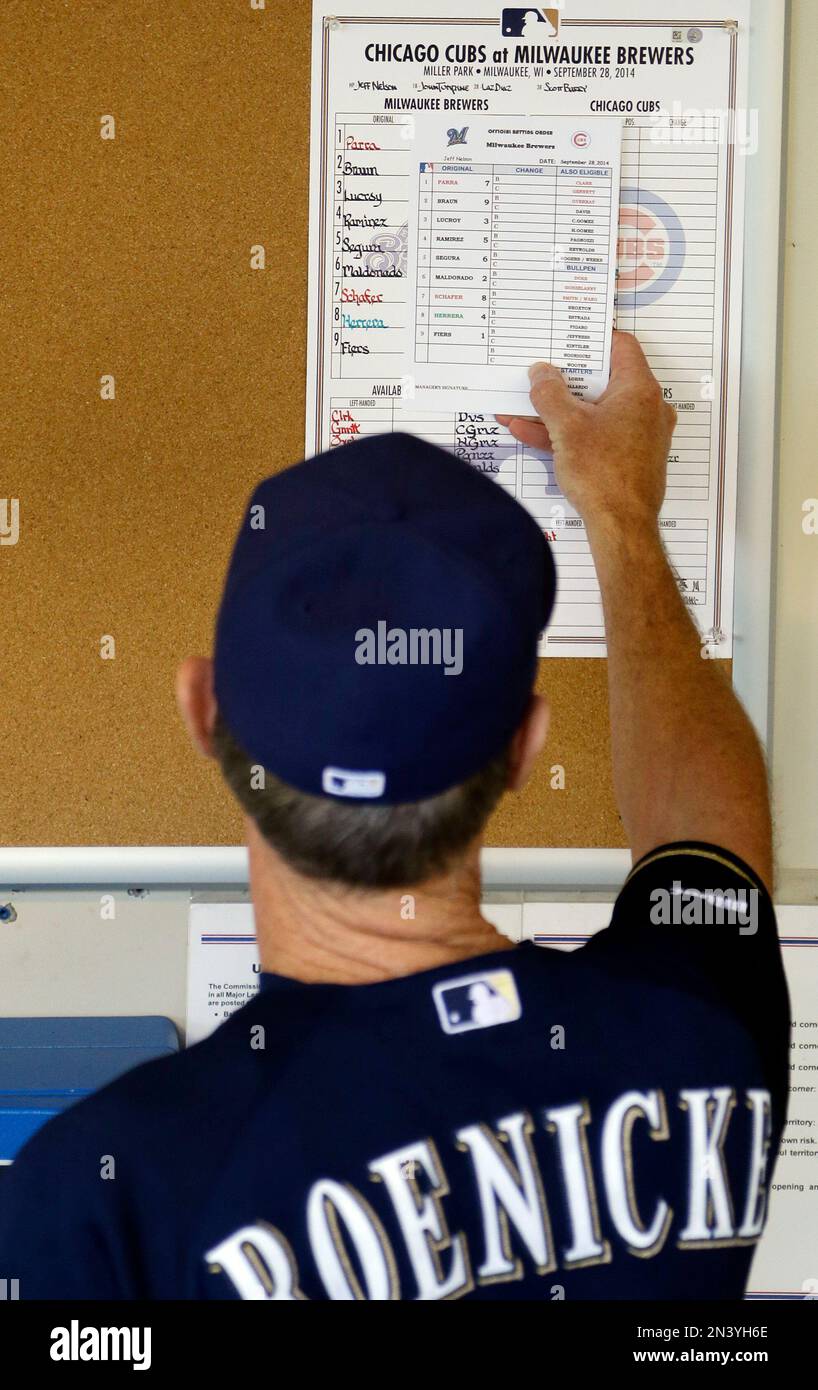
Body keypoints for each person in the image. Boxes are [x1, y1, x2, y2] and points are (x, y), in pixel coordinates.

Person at [0, 332, 788, 1300]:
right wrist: (621, 513)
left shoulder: (107, 1198)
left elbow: (707, 834)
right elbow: (705, 832)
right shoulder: (692, 1033)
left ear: (203, 711)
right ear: (523, 747)